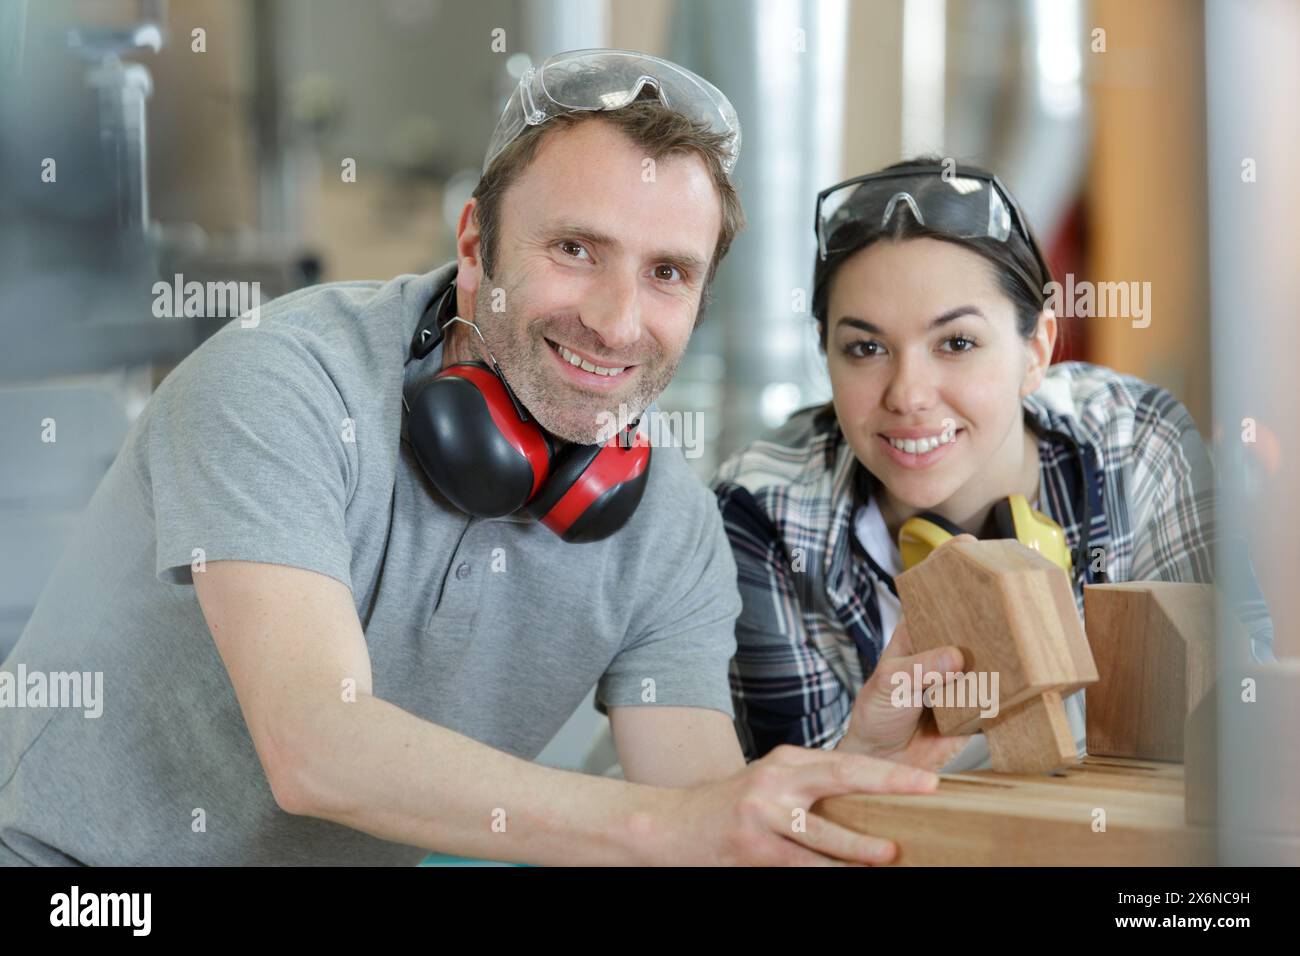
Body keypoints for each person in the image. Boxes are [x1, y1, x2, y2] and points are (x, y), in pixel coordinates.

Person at [0, 51, 941, 867]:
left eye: (667, 274)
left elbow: (697, 816)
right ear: (475, 247)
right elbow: (315, 745)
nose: (618, 322)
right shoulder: (278, 381)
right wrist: (670, 824)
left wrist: (849, 769)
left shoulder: (668, 525)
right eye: (575, 248)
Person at [712, 157, 1276, 769]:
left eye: (956, 343)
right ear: (826, 358)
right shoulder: (762, 509)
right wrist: (862, 756)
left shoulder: (1138, 443)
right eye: (865, 348)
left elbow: (1248, 735)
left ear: (1037, 351)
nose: (908, 394)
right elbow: (792, 823)